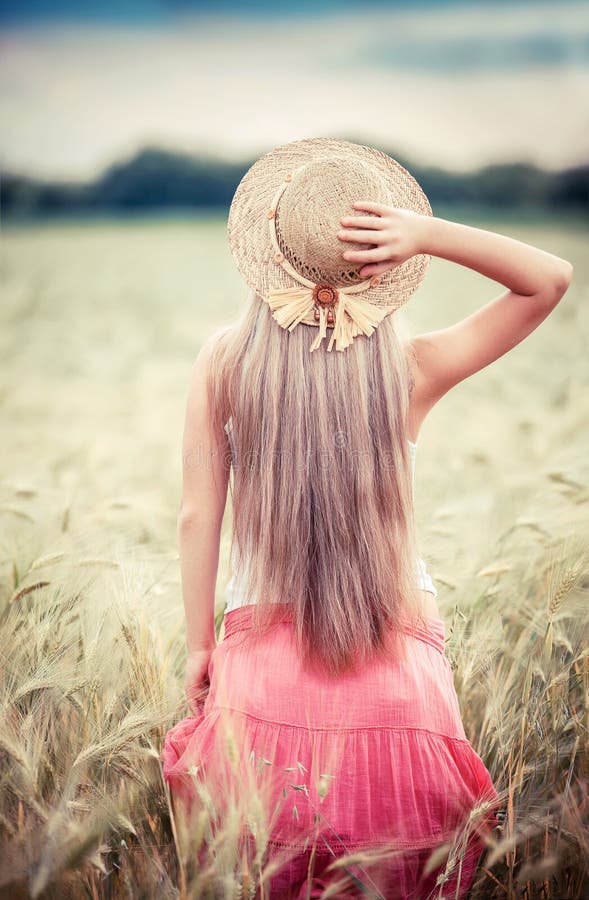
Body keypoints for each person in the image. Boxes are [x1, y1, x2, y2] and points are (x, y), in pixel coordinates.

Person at [161, 137, 573, 898]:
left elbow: (196, 516)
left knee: (267, 873)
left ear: (270, 254)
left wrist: (197, 647)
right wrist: (427, 234)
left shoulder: (223, 361)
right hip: (397, 672)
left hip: (261, 669)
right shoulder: (409, 367)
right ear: (380, 267)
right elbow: (548, 279)